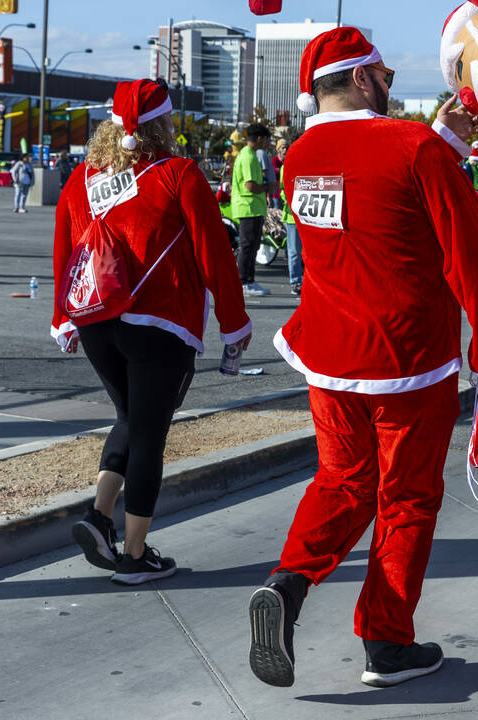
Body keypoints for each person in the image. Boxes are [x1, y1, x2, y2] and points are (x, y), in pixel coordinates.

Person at [247, 27, 478, 690]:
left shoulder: (301, 156)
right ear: (364, 78)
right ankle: (385, 642)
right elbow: (467, 255)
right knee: (407, 499)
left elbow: (371, 201)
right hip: (407, 358)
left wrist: (441, 145)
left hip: (328, 354)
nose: (391, 81)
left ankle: (289, 584)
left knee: (341, 483)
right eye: (385, 72)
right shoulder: (414, 147)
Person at [51, 79, 250, 584]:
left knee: (130, 417)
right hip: (159, 323)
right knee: (150, 432)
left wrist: (62, 317)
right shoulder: (179, 173)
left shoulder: (81, 178)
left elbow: (64, 252)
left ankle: (99, 516)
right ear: (165, 123)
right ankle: (135, 555)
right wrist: (234, 322)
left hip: (96, 319)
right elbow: (215, 255)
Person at [233, 123, 271, 296]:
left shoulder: (249, 155)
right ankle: (243, 282)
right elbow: (250, 186)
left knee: (252, 246)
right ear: (260, 139)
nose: (267, 145)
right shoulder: (248, 156)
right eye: (266, 141)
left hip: (253, 208)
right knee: (248, 246)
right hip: (248, 208)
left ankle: (249, 280)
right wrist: (267, 187)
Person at [276, 137, 304, 296]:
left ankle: (307, 281)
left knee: (306, 253)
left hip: (305, 217)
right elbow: (283, 190)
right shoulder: (285, 167)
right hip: (292, 216)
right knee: (294, 252)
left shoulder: (305, 165)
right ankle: (295, 282)